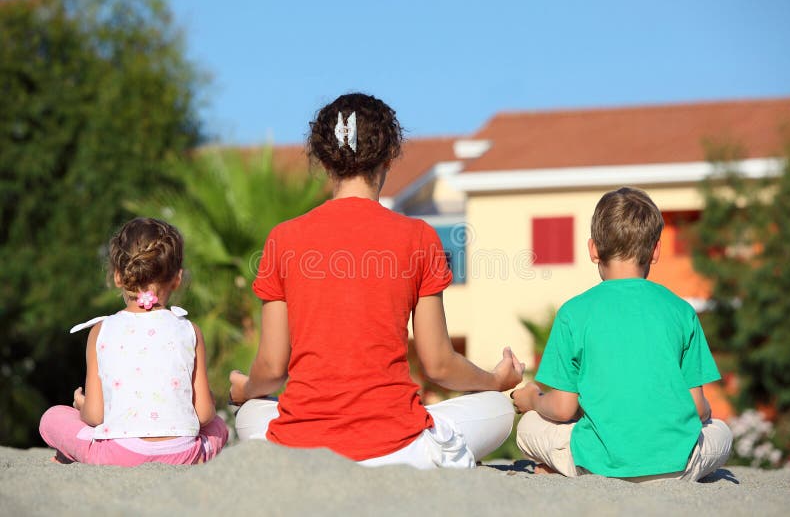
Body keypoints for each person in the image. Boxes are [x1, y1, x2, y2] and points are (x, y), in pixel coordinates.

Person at [230, 93, 523, 469]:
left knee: (250, 412)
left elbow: (272, 369)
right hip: (397, 449)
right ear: (388, 158)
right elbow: (438, 365)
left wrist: (245, 388)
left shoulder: (283, 238)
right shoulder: (418, 237)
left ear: (323, 162)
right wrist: (495, 381)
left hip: (300, 449)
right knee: (498, 409)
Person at [512, 187, 732, 481]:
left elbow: (563, 409)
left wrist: (534, 399)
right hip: (676, 467)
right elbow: (697, 407)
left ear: (593, 249)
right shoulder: (681, 311)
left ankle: (562, 465)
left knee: (529, 426)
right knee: (721, 431)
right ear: (655, 251)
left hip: (597, 464)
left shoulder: (572, 313)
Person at [39, 218, 228, 465]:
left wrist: (83, 405)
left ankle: (75, 452)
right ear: (177, 278)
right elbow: (203, 414)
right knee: (218, 426)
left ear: (118, 276)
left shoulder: (101, 330)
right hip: (182, 454)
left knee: (53, 417)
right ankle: (197, 455)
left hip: (120, 454)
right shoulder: (190, 330)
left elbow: (95, 416)